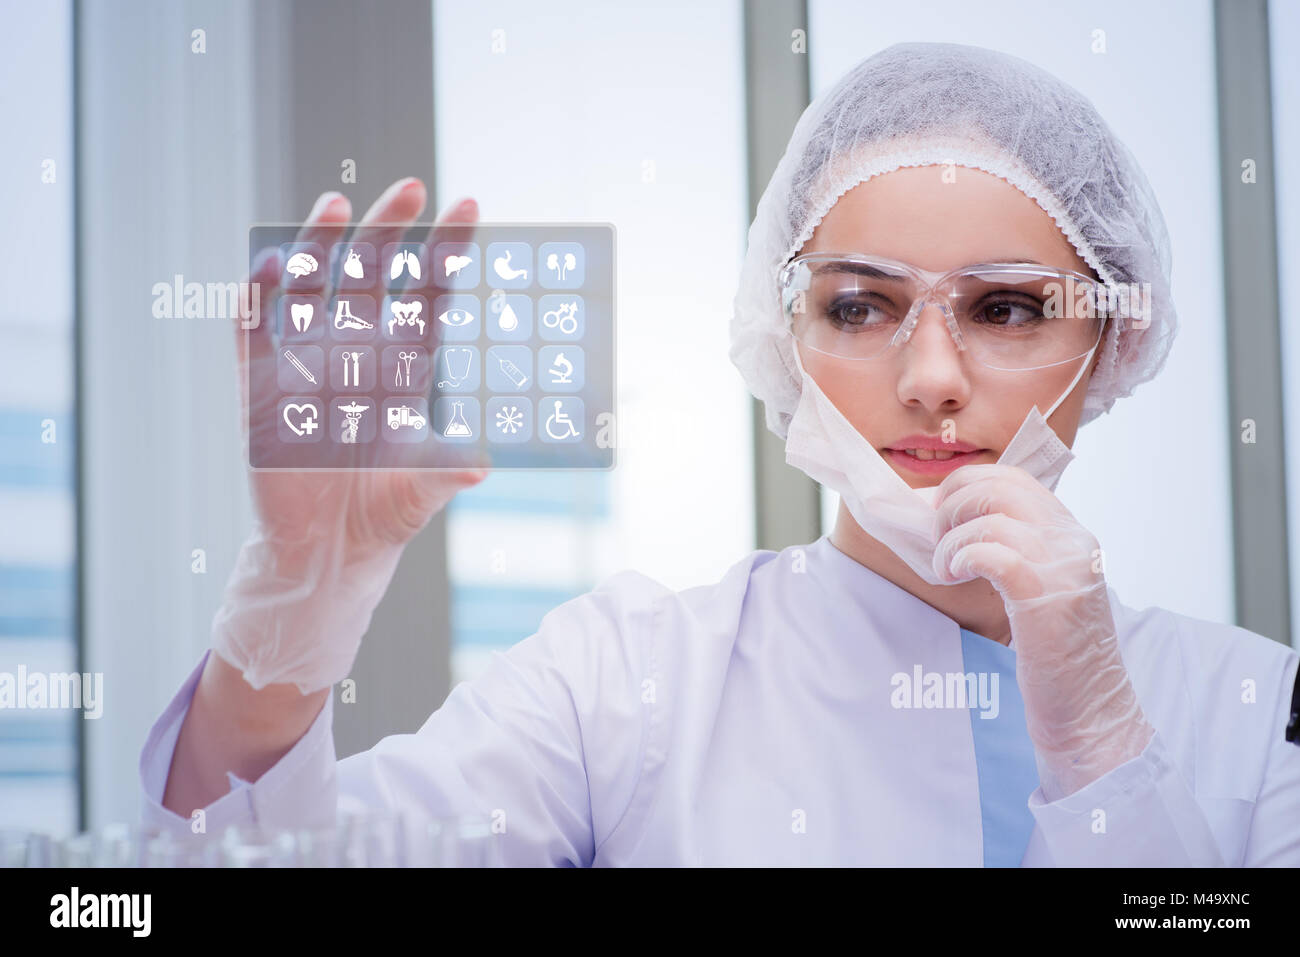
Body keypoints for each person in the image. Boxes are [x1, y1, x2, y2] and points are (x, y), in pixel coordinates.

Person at [139, 42, 1299, 866]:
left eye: (1003, 310)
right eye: (858, 306)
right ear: (781, 337)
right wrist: (300, 604)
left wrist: (1104, 748)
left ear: (1111, 340)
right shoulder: (625, 683)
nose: (931, 377)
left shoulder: (1251, 713)